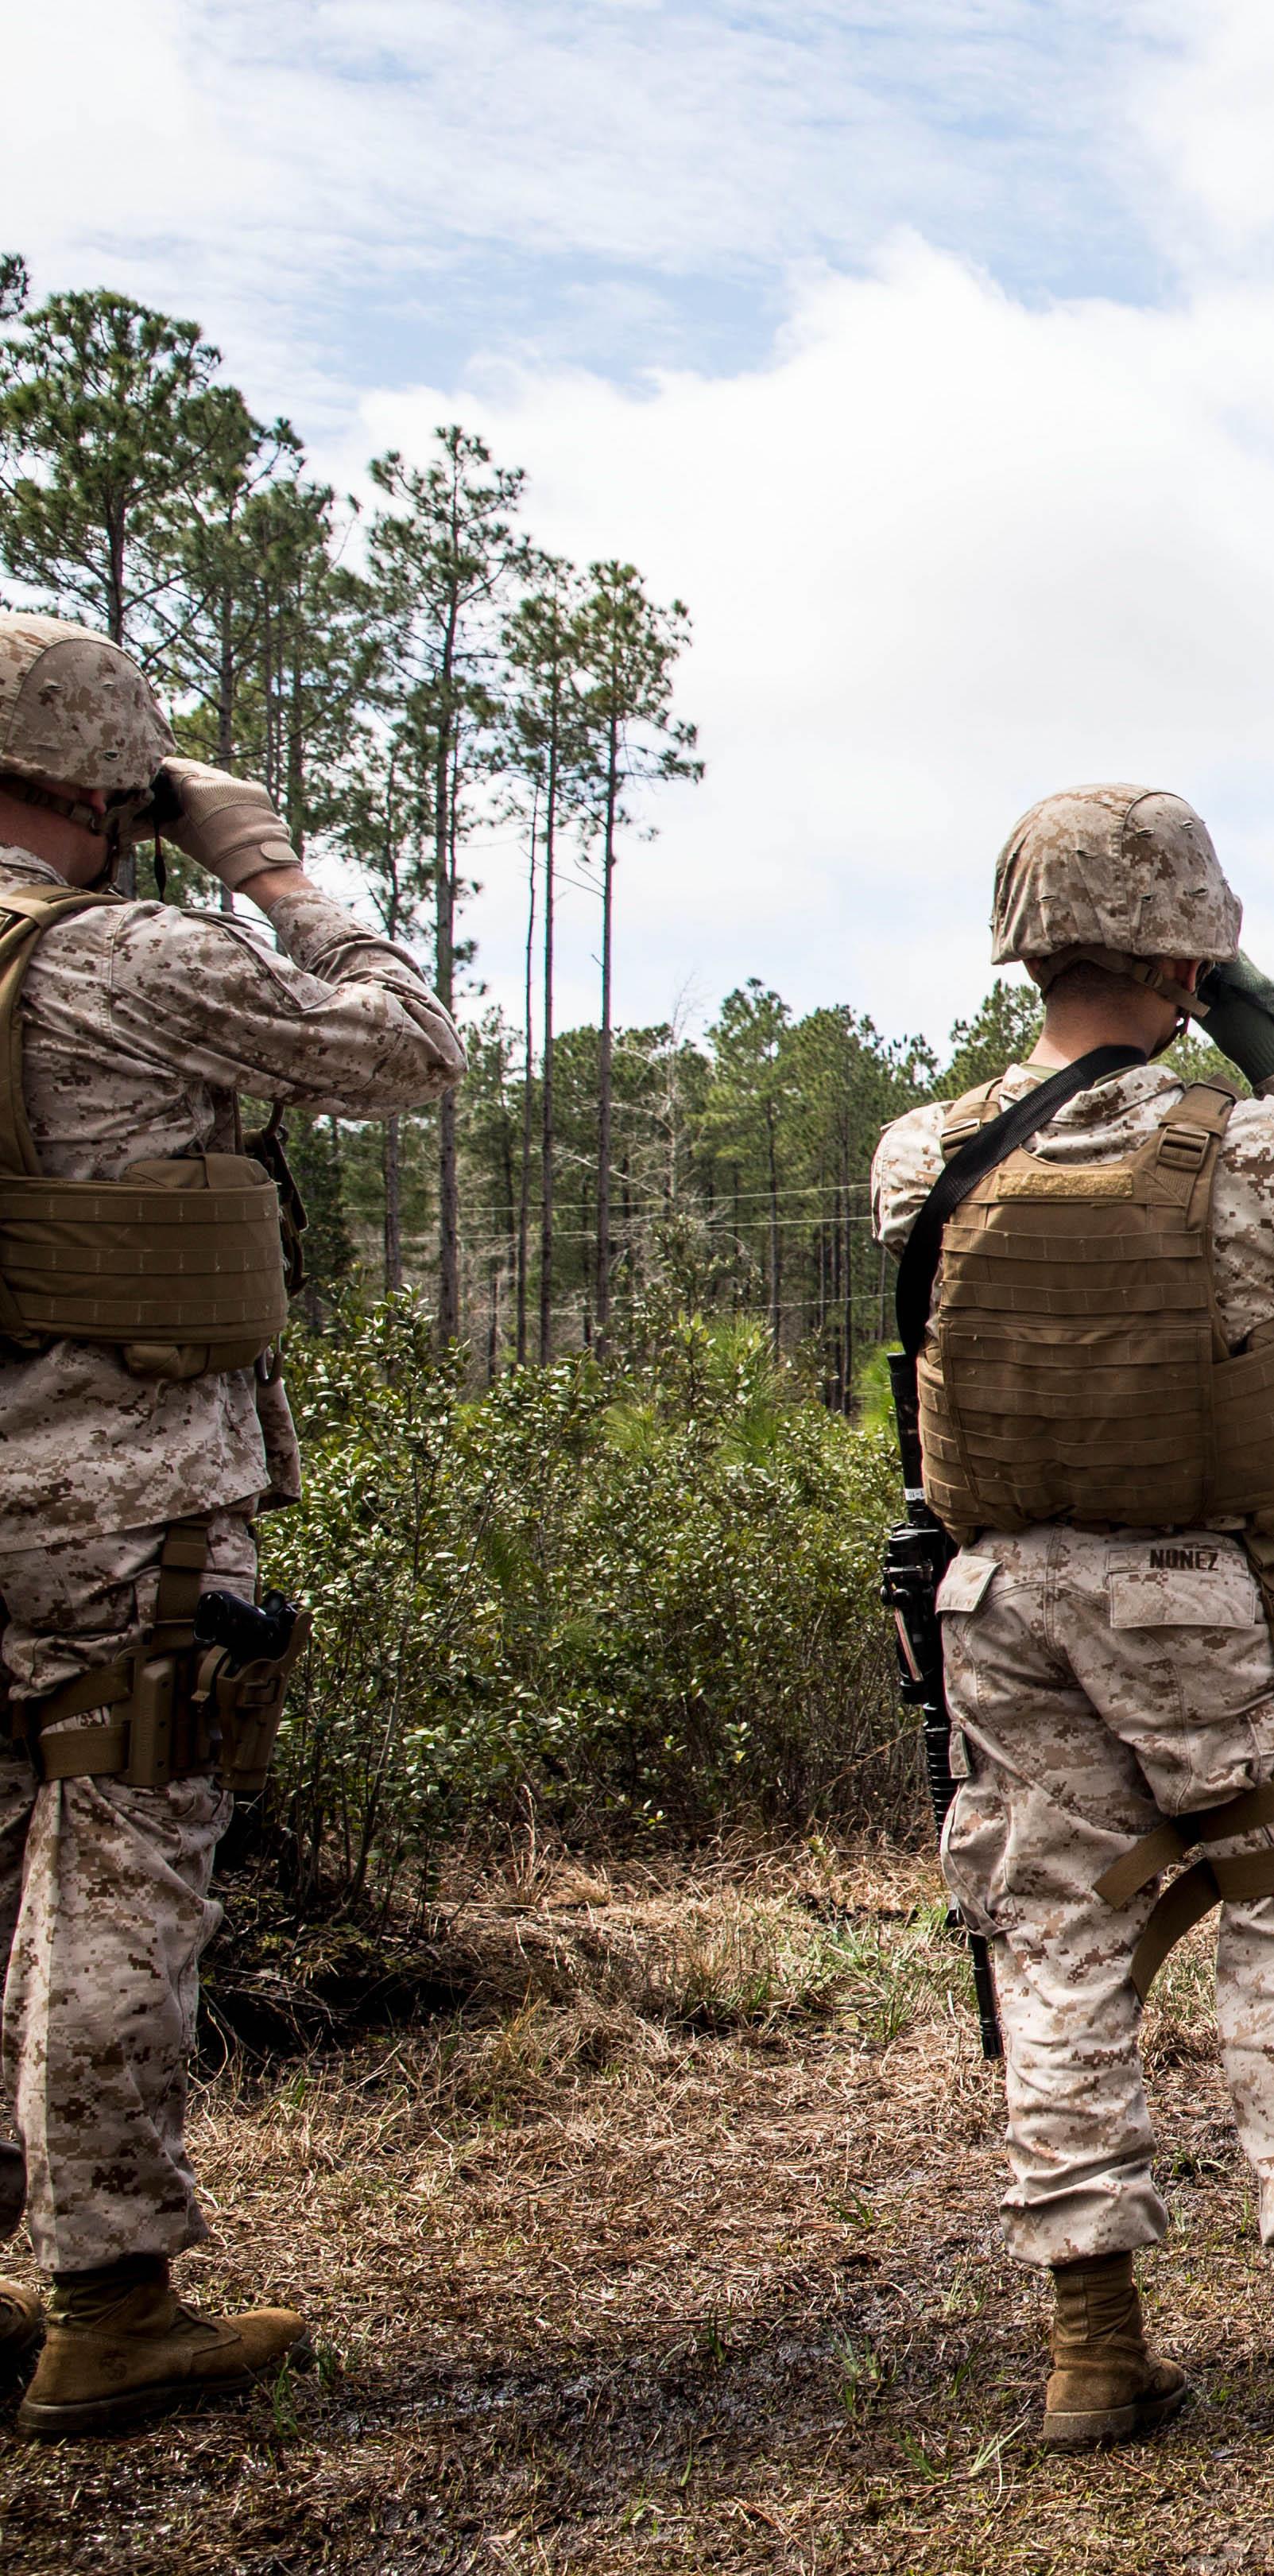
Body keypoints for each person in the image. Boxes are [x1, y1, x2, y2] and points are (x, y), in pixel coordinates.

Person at [868, 784, 1274, 2450]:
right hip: (1204, 1596)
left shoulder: (922, 1153)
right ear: (1197, 957)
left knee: (1053, 1942)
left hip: (1002, 1606)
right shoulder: (1258, 1145)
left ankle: (1093, 2348)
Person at [0, 614, 458, 2436]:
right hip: (119, 1512)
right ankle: (112, 2304)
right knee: (117, 1874)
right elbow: (407, 1044)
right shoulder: (120, 960)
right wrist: (267, 863)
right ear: (117, 788)